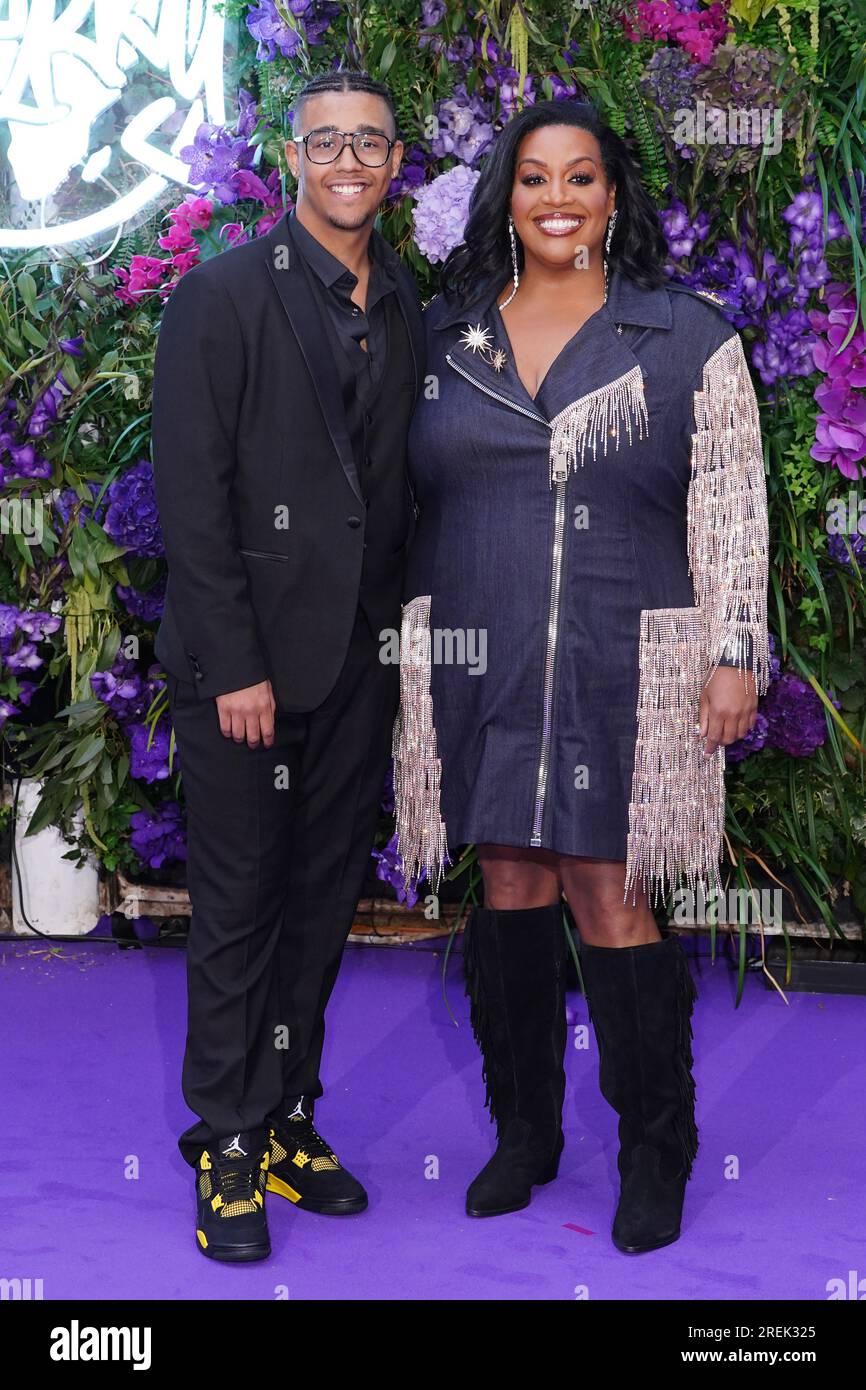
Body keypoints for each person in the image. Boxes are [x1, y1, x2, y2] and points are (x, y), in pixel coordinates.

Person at [391, 99, 770, 1252]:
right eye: (534, 178)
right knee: (506, 884)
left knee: (610, 894)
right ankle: (523, 1134)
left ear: (613, 196)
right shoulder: (442, 339)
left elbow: (731, 505)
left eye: (582, 178)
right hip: (476, 652)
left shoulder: (682, 333)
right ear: (502, 196)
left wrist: (732, 650)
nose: (557, 199)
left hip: (629, 663)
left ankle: (655, 1149)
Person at [151, 70, 424, 1261]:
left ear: (397, 159)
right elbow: (191, 504)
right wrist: (232, 666)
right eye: (328, 143)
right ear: (290, 156)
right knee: (238, 914)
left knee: (319, 911)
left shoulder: (407, 302)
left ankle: (283, 1114)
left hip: (359, 666)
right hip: (248, 678)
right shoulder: (219, 298)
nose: (349, 161)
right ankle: (221, 1141)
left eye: (369, 142)